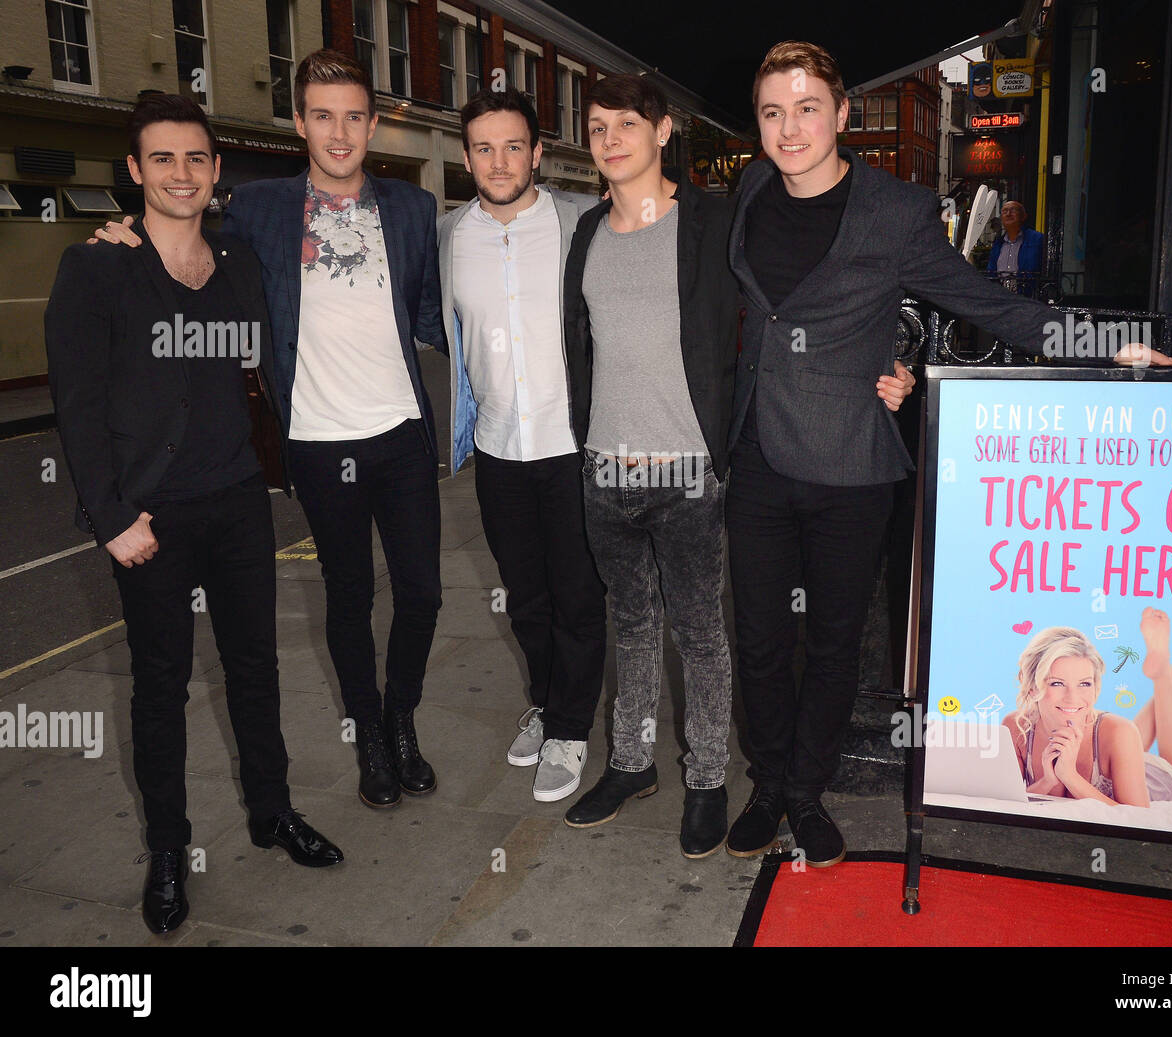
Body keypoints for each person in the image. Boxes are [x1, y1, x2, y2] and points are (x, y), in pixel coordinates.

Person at [724, 41, 1171, 868]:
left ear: (843, 114)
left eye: (807, 108)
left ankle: (806, 791)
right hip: (756, 454)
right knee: (756, 639)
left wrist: (1112, 340)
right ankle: (765, 782)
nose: (790, 129)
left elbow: (985, 306)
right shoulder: (750, 188)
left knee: (830, 641)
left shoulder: (894, 211)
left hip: (851, 465)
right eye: (773, 113)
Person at [95, 50, 446, 811]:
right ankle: (372, 740)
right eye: (323, 115)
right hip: (319, 441)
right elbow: (183, 232)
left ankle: (403, 716)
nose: (340, 131)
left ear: (375, 123)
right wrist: (119, 229)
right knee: (348, 598)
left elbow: (429, 313)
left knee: (422, 592)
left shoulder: (413, 210)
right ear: (299, 123)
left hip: (401, 432)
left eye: (355, 115)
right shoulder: (259, 209)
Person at [48, 94, 343, 936]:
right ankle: (170, 850)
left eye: (197, 159)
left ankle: (272, 810)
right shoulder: (96, 268)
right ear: (135, 171)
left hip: (238, 502)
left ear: (215, 172)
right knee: (160, 689)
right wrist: (111, 517)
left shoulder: (238, 262)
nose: (183, 174)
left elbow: (256, 373)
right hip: (150, 519)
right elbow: (79, 403)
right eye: (164, 160)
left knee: (256, 669)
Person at [556, 74, 740, 857]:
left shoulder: (712, 223)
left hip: (688, 469)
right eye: (597, 126)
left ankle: (707, 777)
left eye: (626, 123)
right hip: (607, 468)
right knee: (630, 626)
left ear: (664, 130)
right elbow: (582, 344)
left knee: (699, 631)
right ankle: (631, 764)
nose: (610, 139)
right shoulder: (588, 232)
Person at [437, 87, 607, 803]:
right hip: (499, 448)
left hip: (573, 444)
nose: (499, 161)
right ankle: (547, 699)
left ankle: (570, 728)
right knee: (525, 598)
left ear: (538, 152)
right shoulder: (449, 235)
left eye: (514, 146)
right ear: (467, 155)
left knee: (578, 594)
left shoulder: (583, 223)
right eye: (484, 147)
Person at [1003, 610, 1172, 804]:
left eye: (1084, 683)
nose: (1072, 697)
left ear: (1095, 686)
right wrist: (1049, 780)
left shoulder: (1119, 731)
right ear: (1031, 687)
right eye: (1057, 683)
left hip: (1150, 778)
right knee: (1122, 736)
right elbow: (1011, 803)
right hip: (1120, 752)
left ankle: (1167, 676)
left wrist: (1069, 776)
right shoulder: (1016, 727)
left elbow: (1136, 815)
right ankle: (1169, 677)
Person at [987, 200, 1044, 295]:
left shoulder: (1037, 239)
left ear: (1023, 216)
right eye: (1004, 211)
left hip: (1028, 298)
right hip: (1001, 297)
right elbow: (991, 271)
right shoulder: (998, 244)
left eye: (1013, 210)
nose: (1008, 214)